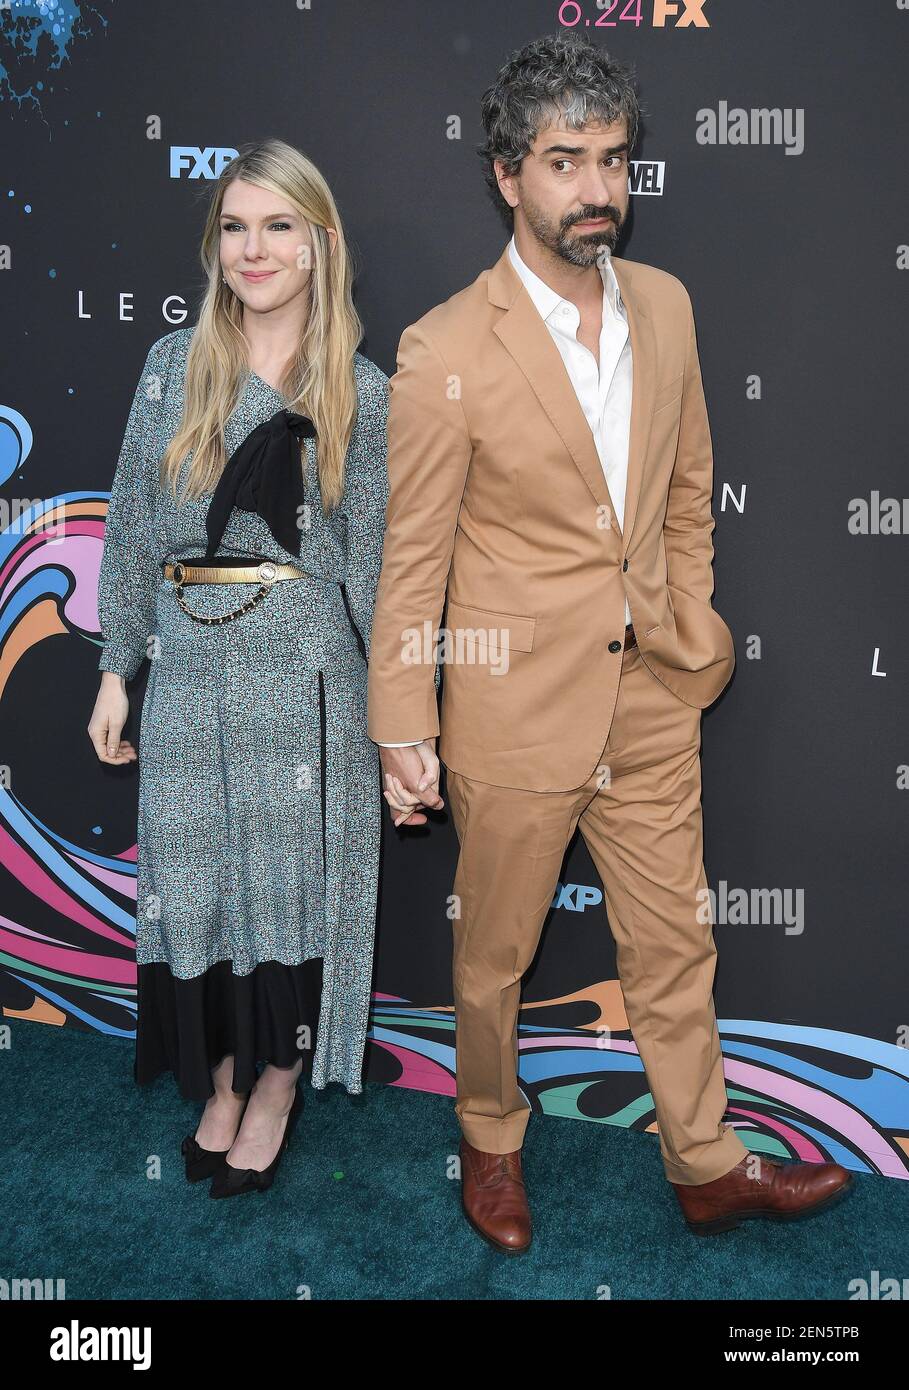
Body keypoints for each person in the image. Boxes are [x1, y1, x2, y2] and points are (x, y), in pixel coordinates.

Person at [367, 33, 852, 1247]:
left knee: (675, 945)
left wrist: (686, 618)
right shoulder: (443, 350)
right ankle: (490, 1139)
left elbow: (689, 487)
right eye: (565, 160)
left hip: (650, 695)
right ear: (506, 175)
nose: (597, 189)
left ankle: (705, 1159)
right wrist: (401, 726)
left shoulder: (671, 309)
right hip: (509, 708)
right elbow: (412, 557)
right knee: (494, 959)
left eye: (615, 160)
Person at [88, 137, 389, 1199]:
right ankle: (217, 1080)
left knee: (290, 899)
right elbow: (130, 524)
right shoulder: (174, 366)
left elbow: (382, 575)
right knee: (195, 895)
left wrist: (402, 731)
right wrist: (118, 666)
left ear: (319, 244)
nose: (251, 249)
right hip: (187, 674)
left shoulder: (359, 390)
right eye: (233, 226)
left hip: (303, 684)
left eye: (277, 227)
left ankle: (274, 1090)